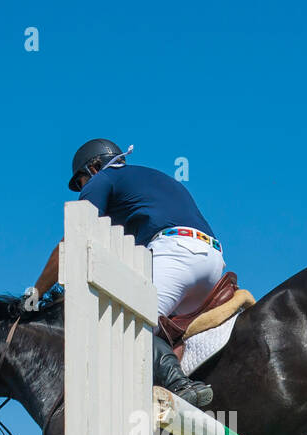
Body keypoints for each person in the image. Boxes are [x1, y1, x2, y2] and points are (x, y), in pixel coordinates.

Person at [33, 139, 224, 407]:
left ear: (95, 166)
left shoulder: (103, 179)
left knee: (130, 329)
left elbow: (72, 240)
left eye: (81, 181)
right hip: (213, 259)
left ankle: (181, 386)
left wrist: (35, 292)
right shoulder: (153, 180)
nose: (83, 189)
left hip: (176, 252)